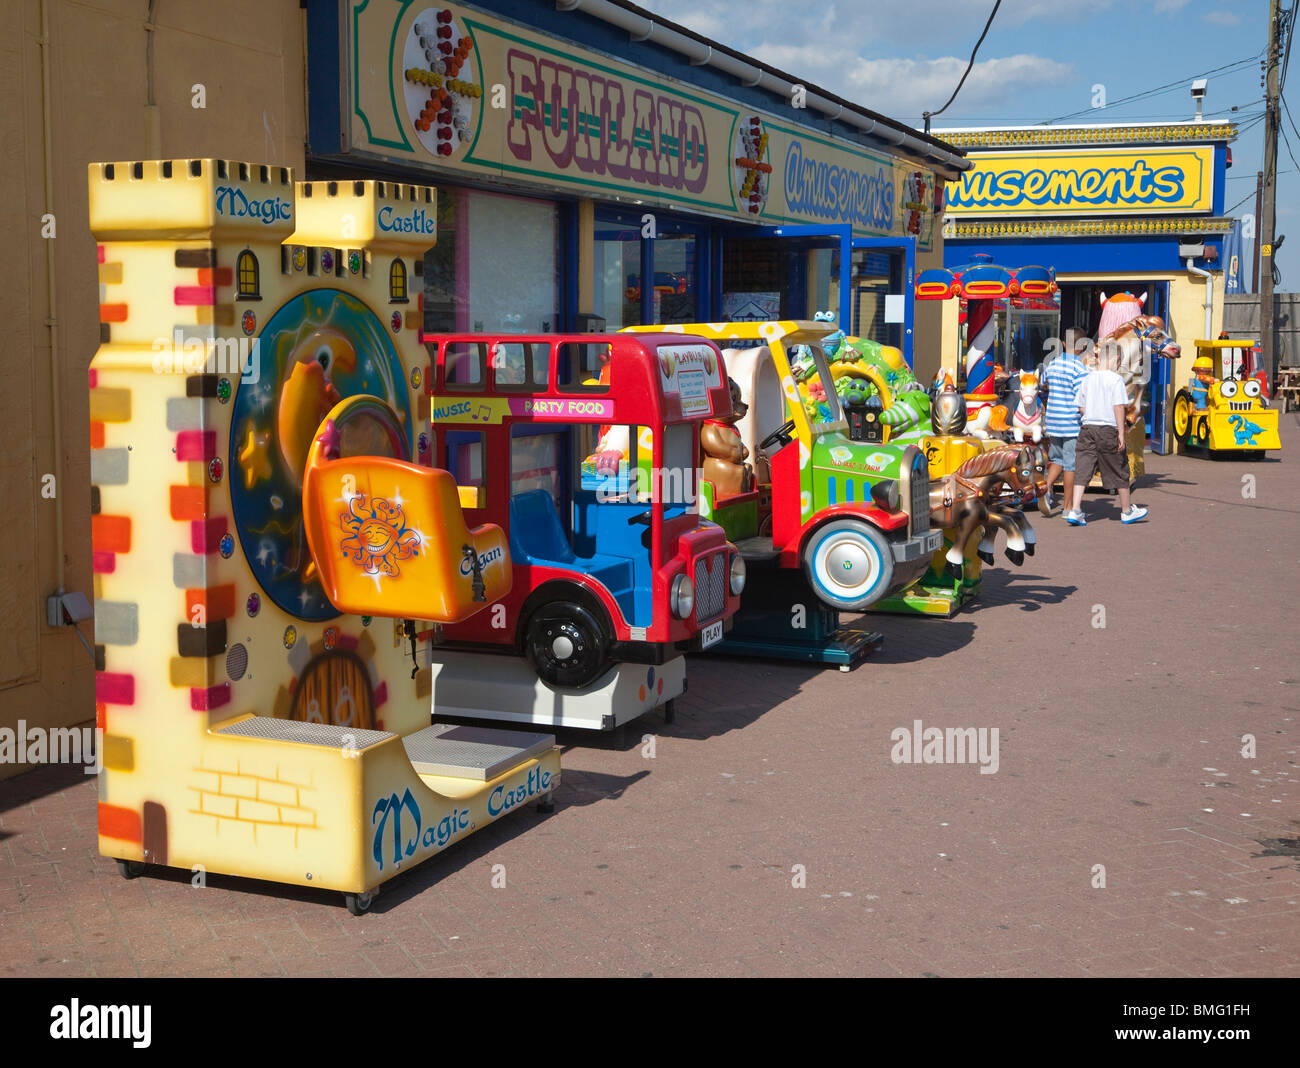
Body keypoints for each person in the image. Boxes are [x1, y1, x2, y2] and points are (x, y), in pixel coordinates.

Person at [1065, 342, 1148, 525]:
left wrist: (1092, 415)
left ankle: (1075, 510)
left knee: (1083, 468)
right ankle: (1126, 511)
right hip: (1107, 429)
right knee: (1119, 467)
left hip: (1087, 428)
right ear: (1115, 358)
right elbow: (1118, 406)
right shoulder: (1115, 379)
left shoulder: (1087, 378)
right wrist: (1120, 433)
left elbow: (1081, 407)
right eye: (1120, 361)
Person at [1039, 337, 1089, 513]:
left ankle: (1044, 488)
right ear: (1084, 346)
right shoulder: (1080, 368)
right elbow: (1083, 397)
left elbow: (1042, 383)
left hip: (1053, 421)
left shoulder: (1053, 364)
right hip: (1071, 423)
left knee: (1058, 459)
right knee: (1070, 465)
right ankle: (1068, 508)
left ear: (1065, 343)